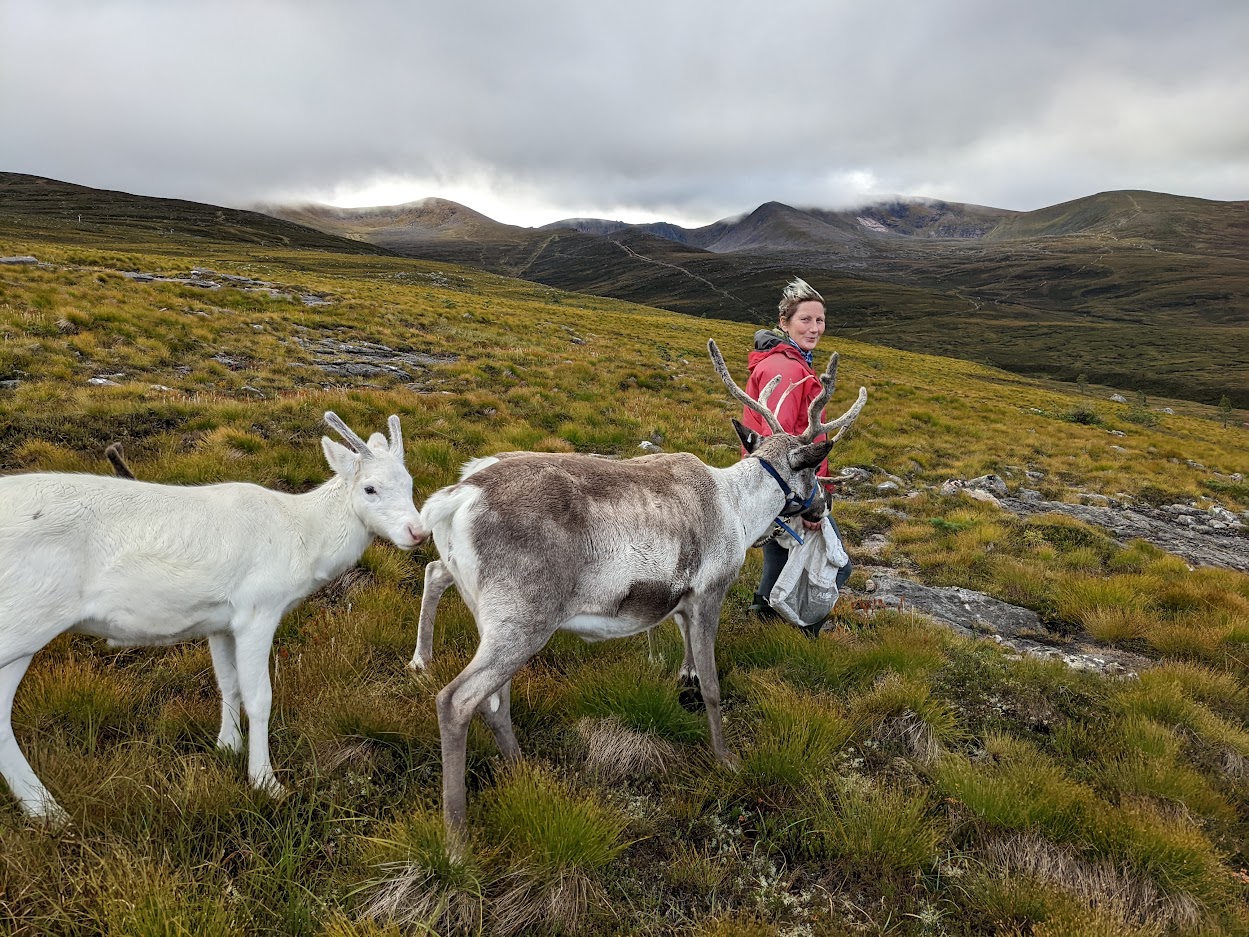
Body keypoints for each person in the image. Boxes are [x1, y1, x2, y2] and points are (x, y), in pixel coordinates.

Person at [740, 277, 852, 628]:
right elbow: (783, 444)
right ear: (784, 322)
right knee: (838, 565)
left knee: (778, 552)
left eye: (820, 319)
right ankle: (803, 628)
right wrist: (809, 504)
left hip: (772, 483)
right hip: (789, 486)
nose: (815, 327)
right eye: (806, 319)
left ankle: (764, 619)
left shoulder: (790, 361)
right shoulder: (787, 369)